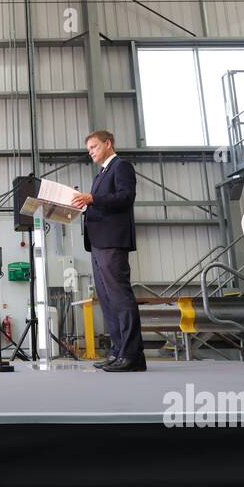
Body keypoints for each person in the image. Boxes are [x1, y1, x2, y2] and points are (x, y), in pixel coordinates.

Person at [72, 129, 145, 372]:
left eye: (93, 146)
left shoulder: (120, 167)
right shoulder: (100, 174)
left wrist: (92, 199)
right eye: (88, 149)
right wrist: (82, 207)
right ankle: (117, 352)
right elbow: (99, 202)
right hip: (97, 242)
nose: (90, 152)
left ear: (108, 143)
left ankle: (132, 356)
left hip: (113, 241)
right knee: (107, 299)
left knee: (120, 297)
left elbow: (126, 197)